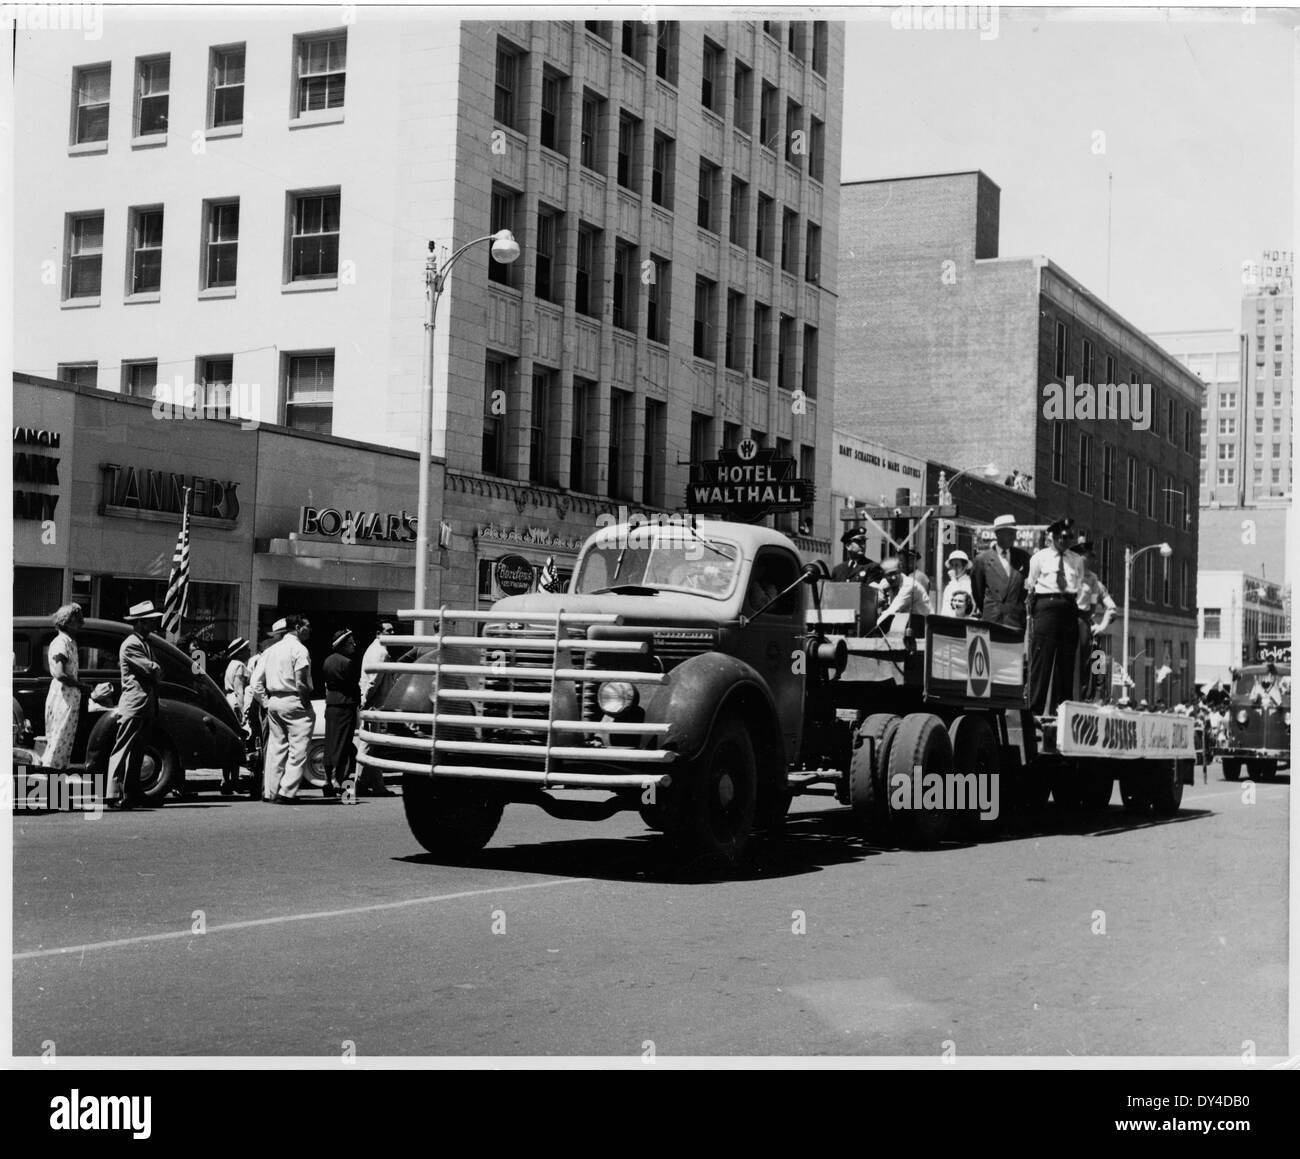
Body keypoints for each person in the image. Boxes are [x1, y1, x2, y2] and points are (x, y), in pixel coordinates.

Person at [106, 600, 165, 809]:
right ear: (140, 622)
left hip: (144, 704)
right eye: (150, 621)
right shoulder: (132, 644)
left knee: (138, 751)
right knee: (124, 747)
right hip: (135, 703)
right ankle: (113, 792)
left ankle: (131, 792)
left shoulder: (144, 643)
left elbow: (157, 670)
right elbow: (152, 669)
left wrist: (156, 669)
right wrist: (155, 668)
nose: (154, 624)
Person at [253, 614, 315, 803]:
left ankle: (270, 791)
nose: (310, 629)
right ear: (297, 627)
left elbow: (255, 681)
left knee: (275, 747)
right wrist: (305, 703)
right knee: (299, 748)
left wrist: (266, 701)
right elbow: (301, 682)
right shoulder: (299, 650)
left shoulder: (271, 650)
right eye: (307, 626)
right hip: (294, 699)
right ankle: (287, 791)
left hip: (274, 701)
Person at [1026, 517, 1085, 715]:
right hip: (1046, 607)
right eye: (1061, 537)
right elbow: (1030, 583)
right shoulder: (1039, 558)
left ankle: (1063, 712)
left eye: (1069, 537)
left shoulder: (1076, 560)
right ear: (1052, 536)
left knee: (1066, 663)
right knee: (1042, 659)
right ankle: (1034, 711)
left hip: (1068, 607)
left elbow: (1078, 584)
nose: (1065, 541)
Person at [42, 603, 86, 769]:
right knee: (59, 740)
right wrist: (79, 685)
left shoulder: (69, 642)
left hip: (69, 696)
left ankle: (55, 781)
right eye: (77, 619)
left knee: (64, 741)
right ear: (67, 621)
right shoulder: (61, 642)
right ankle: (50, 782)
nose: (81, 623)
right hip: (63, 696)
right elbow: (60, 674)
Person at [970, 514, 1030, 631]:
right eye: (1009, 533)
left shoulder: (1023, 557)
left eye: (1014, 533)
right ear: (998, 534)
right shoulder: (982, 559)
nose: (1013, 537)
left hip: (1015, 621)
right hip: (992, 620)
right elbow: (978, 592)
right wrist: (992, 609)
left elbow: (1025, 589)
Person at [1074, 539, 1117, 701]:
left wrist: (1101, 627)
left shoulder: (1095, 583)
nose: (1092, 560)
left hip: (1088, 632)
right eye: (1088, 557)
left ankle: (1095, 698)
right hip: (1068, 629)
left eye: (1092, 557)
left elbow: (1112, 609)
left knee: (1098, 667)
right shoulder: (1068, 576)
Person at [322, 628, 359, 798]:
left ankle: (327, 780)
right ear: (343, 645)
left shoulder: (327, 661)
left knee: (330, 744)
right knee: (344, 746)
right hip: (346, 706)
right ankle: (342, 785)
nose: (354, 645)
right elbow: (353, 687)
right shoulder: (347, 663)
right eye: (351, 643)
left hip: (331, 705)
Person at [221, 637, 250, 795]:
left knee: (230, 741)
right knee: (238, 741)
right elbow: (240, 690)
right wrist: (243, 710)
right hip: (235, 703)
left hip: (228, 701)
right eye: (247, 649)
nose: (250, 651)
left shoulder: (231, 665)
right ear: (240, 653)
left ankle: (226, 779)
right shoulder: (239, 666)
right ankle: (234, 781)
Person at [875, 557, 932, 628]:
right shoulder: (887, 584)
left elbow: (893, 610)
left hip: (923, 627)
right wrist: (881, 592)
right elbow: (875, 604)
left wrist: (873, 628)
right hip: (908, 625)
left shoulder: (909, 585)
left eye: (895, 573)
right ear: (884, 576)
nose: (893, 577)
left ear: (900, 571)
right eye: (889, 574)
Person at [943, 550, 974, 616]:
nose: (954, 568)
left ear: (965, 567)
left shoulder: (968, 584)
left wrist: (953, 579)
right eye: (952, 565)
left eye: (957, 565)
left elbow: (960, 598)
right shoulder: (950, 584)